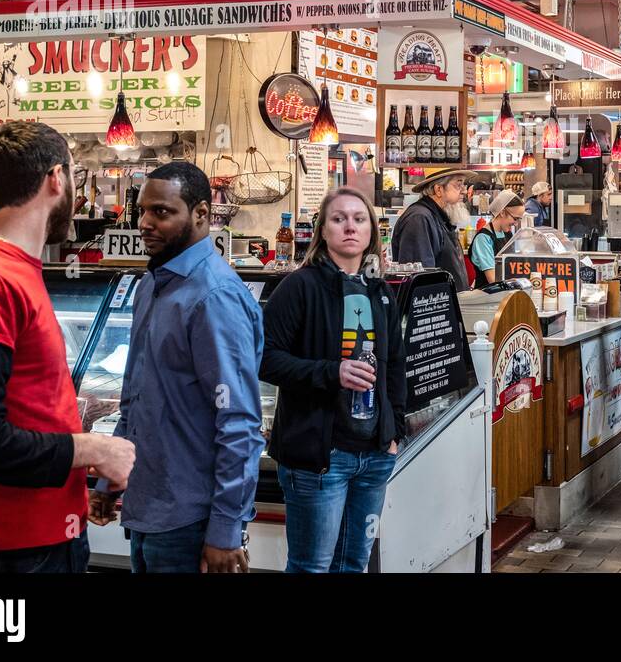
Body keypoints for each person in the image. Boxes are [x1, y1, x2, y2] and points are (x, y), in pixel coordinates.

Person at [0, 121, 135, 573]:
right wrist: (93, 449)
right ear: (56, 179)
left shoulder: (12, 272)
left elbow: (20, 409)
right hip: (1, 556)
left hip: (37, 545)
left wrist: (77, 461)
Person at [87, 162, 263, 573]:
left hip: (191, 520)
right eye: (142, 211)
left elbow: (239, 424)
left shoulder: (214, 297)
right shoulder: (151, 285)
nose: (145, 223)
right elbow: (135, 400)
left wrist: (225, 529)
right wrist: (110, 481)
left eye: (162, 213)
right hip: (147, 503)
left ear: (200, 214)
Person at [260, 187, 406, 572]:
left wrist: (394, 433)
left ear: (372, 231)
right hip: (319, 458)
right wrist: (332, 372)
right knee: (312, 567)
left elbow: (395, 364)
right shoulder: (299, 287)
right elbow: (264, 359)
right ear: (322, 230)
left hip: (374, 456)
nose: (350, 227)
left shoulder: (381, 292)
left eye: (359, 219)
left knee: (354, 564)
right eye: (338, 219)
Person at [390, 166, 477, 291]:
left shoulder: (437, 217)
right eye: (458, 185)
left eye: (464, 185)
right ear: (439, 189)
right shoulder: (419, 218)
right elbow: (422, 280)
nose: (464, 191)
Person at [470, 190, 525, 287]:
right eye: (515, 219)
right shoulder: (483, 239)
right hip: (487, 296)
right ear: (503, 212)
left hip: (505, 292)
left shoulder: (507, 234)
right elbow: (493, 279)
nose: (516, 223)